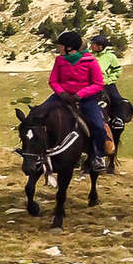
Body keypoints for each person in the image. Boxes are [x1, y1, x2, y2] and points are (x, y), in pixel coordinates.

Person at [41, 30, 108, 172]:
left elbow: (98, 84)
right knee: (38, 114)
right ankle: (35, 151)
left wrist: (80, 94)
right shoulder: (59, 60)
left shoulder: (90, 61)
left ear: (69, 47)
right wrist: (62, 93)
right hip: (62, 97)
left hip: (85, 99)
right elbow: (53, 81)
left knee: (98, 126)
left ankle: (97, 155)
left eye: (61, 46)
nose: (58, 48)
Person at [89, 33, 129, 127]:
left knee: (117, 99)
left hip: (106, 84)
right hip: (90, 84)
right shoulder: (88, 55)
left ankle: (118, 119)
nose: (91, 45)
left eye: (93, 44)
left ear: (100, 46)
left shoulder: (110, 57)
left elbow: (118, 70)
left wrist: (109, 79)